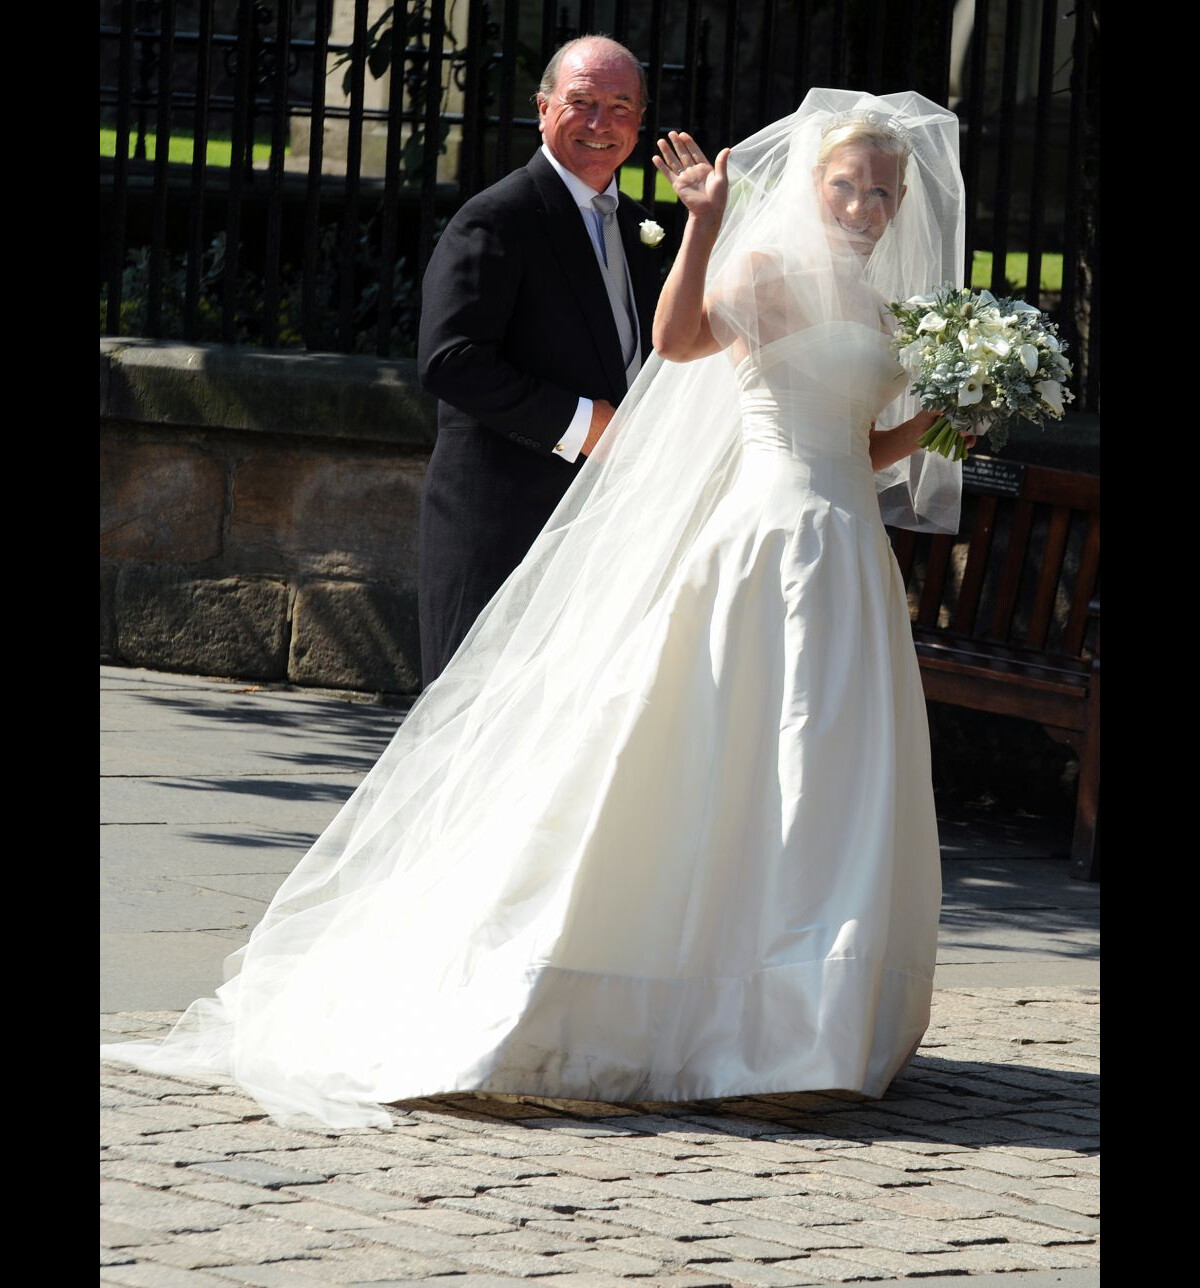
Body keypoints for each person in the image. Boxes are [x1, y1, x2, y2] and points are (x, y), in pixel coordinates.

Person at [102, 88, 968, 1131]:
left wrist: (939, 417)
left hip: (848, 558)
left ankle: (811, 1019)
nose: (866, 207)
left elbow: (862, 447)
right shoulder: (767, 268)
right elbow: (681, 340)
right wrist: (702, 223)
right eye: (847, 186)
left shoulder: (881, 310)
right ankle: (708, 1011)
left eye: (883, 191)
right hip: (768, 544)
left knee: (827, 772)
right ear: (812, 186)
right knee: (738, 760)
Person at [415, 35, 662, 685]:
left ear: (640, 119)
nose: (600, 123)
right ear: (543, 108)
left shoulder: (641, 228)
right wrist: (589, 425)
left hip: (606, 532)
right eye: (581, 102)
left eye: (619, 105)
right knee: (468, 735)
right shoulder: (497, 217)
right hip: (502, 525)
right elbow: (450, 359)